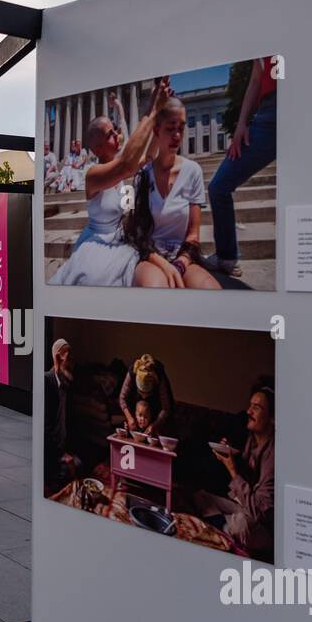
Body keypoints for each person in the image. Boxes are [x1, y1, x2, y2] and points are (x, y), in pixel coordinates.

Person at [50, 78, 169, 287]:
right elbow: (127, 165)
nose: (117, 134)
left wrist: (157, 119)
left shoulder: (122, 177)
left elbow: (147, 159)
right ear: (97, 148)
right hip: (96, 245)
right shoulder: (93, 174)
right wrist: (151, 111)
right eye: (110, 134)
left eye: (115, 129)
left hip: (122, 242)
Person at [126, 97, 221, 290]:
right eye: (170, 129)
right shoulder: (143, 175)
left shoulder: (193, 171)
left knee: (211, 291)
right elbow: (135, 233)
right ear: (156, 131)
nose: (177, 135)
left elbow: (193, 235)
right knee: (156, 290)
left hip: (183, 256)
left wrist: (180, 264)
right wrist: (164, 265)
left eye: (181, 128)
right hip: (150, 255)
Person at [207, 57, 278, 278]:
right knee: (218, 187)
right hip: (268, 111)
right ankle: (227, 256)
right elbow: (256, 80)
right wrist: (241, 124)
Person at [200, 383, 275, 561]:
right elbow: (245, 484)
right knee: (201, 496)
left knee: (242, 524)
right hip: (245, 508)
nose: (249, 411)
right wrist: (230, 454)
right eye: (250, 405)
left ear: (272, 417)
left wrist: (233, 470)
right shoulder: (251, 440)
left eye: (256, 408)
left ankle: (223, 528)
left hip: (263, 527)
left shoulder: (275, 456)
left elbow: (259, 513)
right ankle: (225, 525)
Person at [44, 337, 80, 493]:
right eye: (69, 358)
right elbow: (46, 427)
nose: (72, 363)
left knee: (80, 464)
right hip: (51, 450)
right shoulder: (46, 381)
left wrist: (69, 451)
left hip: (64, 447)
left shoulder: (67, 385)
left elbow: (69, 423)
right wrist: (61, 454)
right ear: (58, 358)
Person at [118, 353, 173, 437]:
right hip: (136, 411)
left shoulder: (159, 376)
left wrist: (154, 425)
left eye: (148, 393)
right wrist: (129, 418)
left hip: (155, 410)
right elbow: (122, 398)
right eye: (141, 392)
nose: (144, 397)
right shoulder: (132, 372)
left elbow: (166, 408)